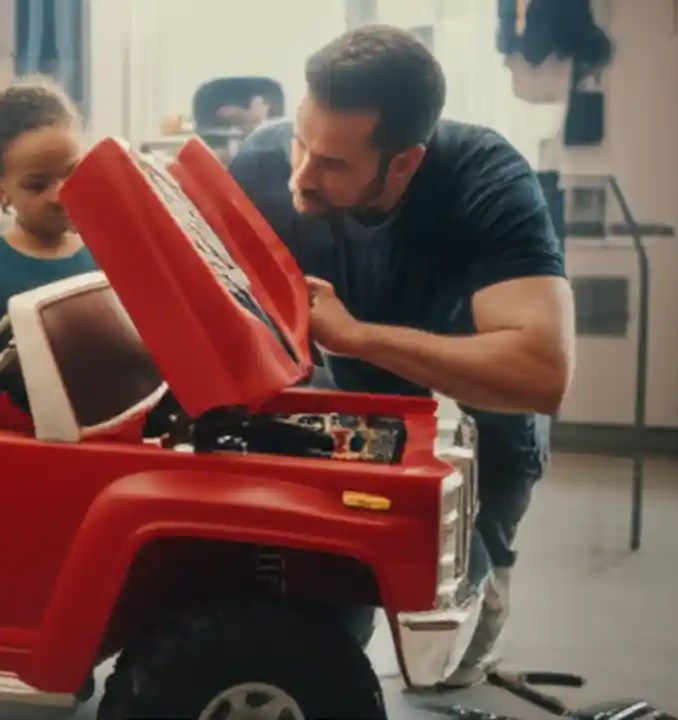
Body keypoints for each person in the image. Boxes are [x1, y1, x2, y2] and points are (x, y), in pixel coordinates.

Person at [228, 25, 575, 686]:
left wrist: (356, 334)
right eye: (302, 141)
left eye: (332, 163)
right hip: (353, 390)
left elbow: (540, 375)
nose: (301, 174)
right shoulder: (262, 161)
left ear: (405, 162)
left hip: (481, 402)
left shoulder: (488, 180)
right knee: (325, 597)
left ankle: (490, 589)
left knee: (471, 590)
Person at [0, 77, 99, 363]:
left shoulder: (104, 254)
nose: (59, 195)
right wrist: (7, 360)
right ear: (2, 188)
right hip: (11, 406)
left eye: (71, 174)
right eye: (38, 185)